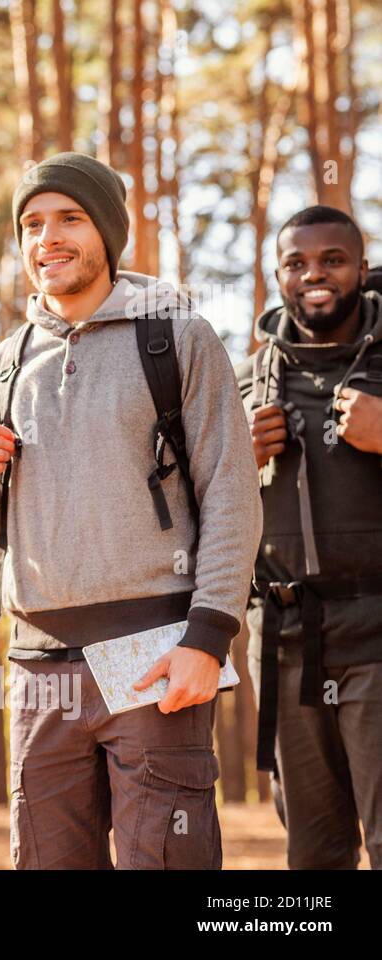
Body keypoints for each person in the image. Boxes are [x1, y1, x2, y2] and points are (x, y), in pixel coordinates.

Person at [0, 152, 262, 869]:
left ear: (109, 233)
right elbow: (2, 526)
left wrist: (209, 636)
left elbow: (231, 492)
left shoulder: (176, 336)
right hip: (37, 668)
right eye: (32, 224)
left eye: (69, 219)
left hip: (156, 652)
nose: (47, 238)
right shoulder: (0, 364)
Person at [238, 204, 382, 869]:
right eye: (296, 263)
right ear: (278, 274)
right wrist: (233, 456)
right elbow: (188, 507)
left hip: (379, 637)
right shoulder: (245, 383)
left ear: (360, 267)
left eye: (332, 259)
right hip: (287, 643)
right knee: (314, 854)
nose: (314, 275)